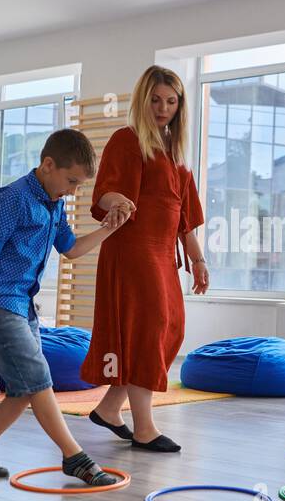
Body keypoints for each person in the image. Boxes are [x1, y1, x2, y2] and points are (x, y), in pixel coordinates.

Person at [0, 129, 127, 482]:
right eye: (71, 181)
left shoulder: (54, 203)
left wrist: (109, 230)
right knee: (38, 380)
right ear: (48, 165)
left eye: (79, 184)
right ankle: (74, 457)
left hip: (22, 302)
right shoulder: (14, 198)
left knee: (23, 389)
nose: (73, 190)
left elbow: (71, 249)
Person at [80, 66, 207, 453]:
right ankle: (145, 428)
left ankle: (108, 409)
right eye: (155, 99)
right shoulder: (127, 139)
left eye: (171, 101)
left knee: (169, 329)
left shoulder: (178, 155)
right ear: (142, 100)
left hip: (162, 256)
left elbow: (185, 218)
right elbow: (104, 192)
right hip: (132, 250)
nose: (163, 107)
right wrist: (116, 200)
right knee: (146, 331)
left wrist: (198, 260)